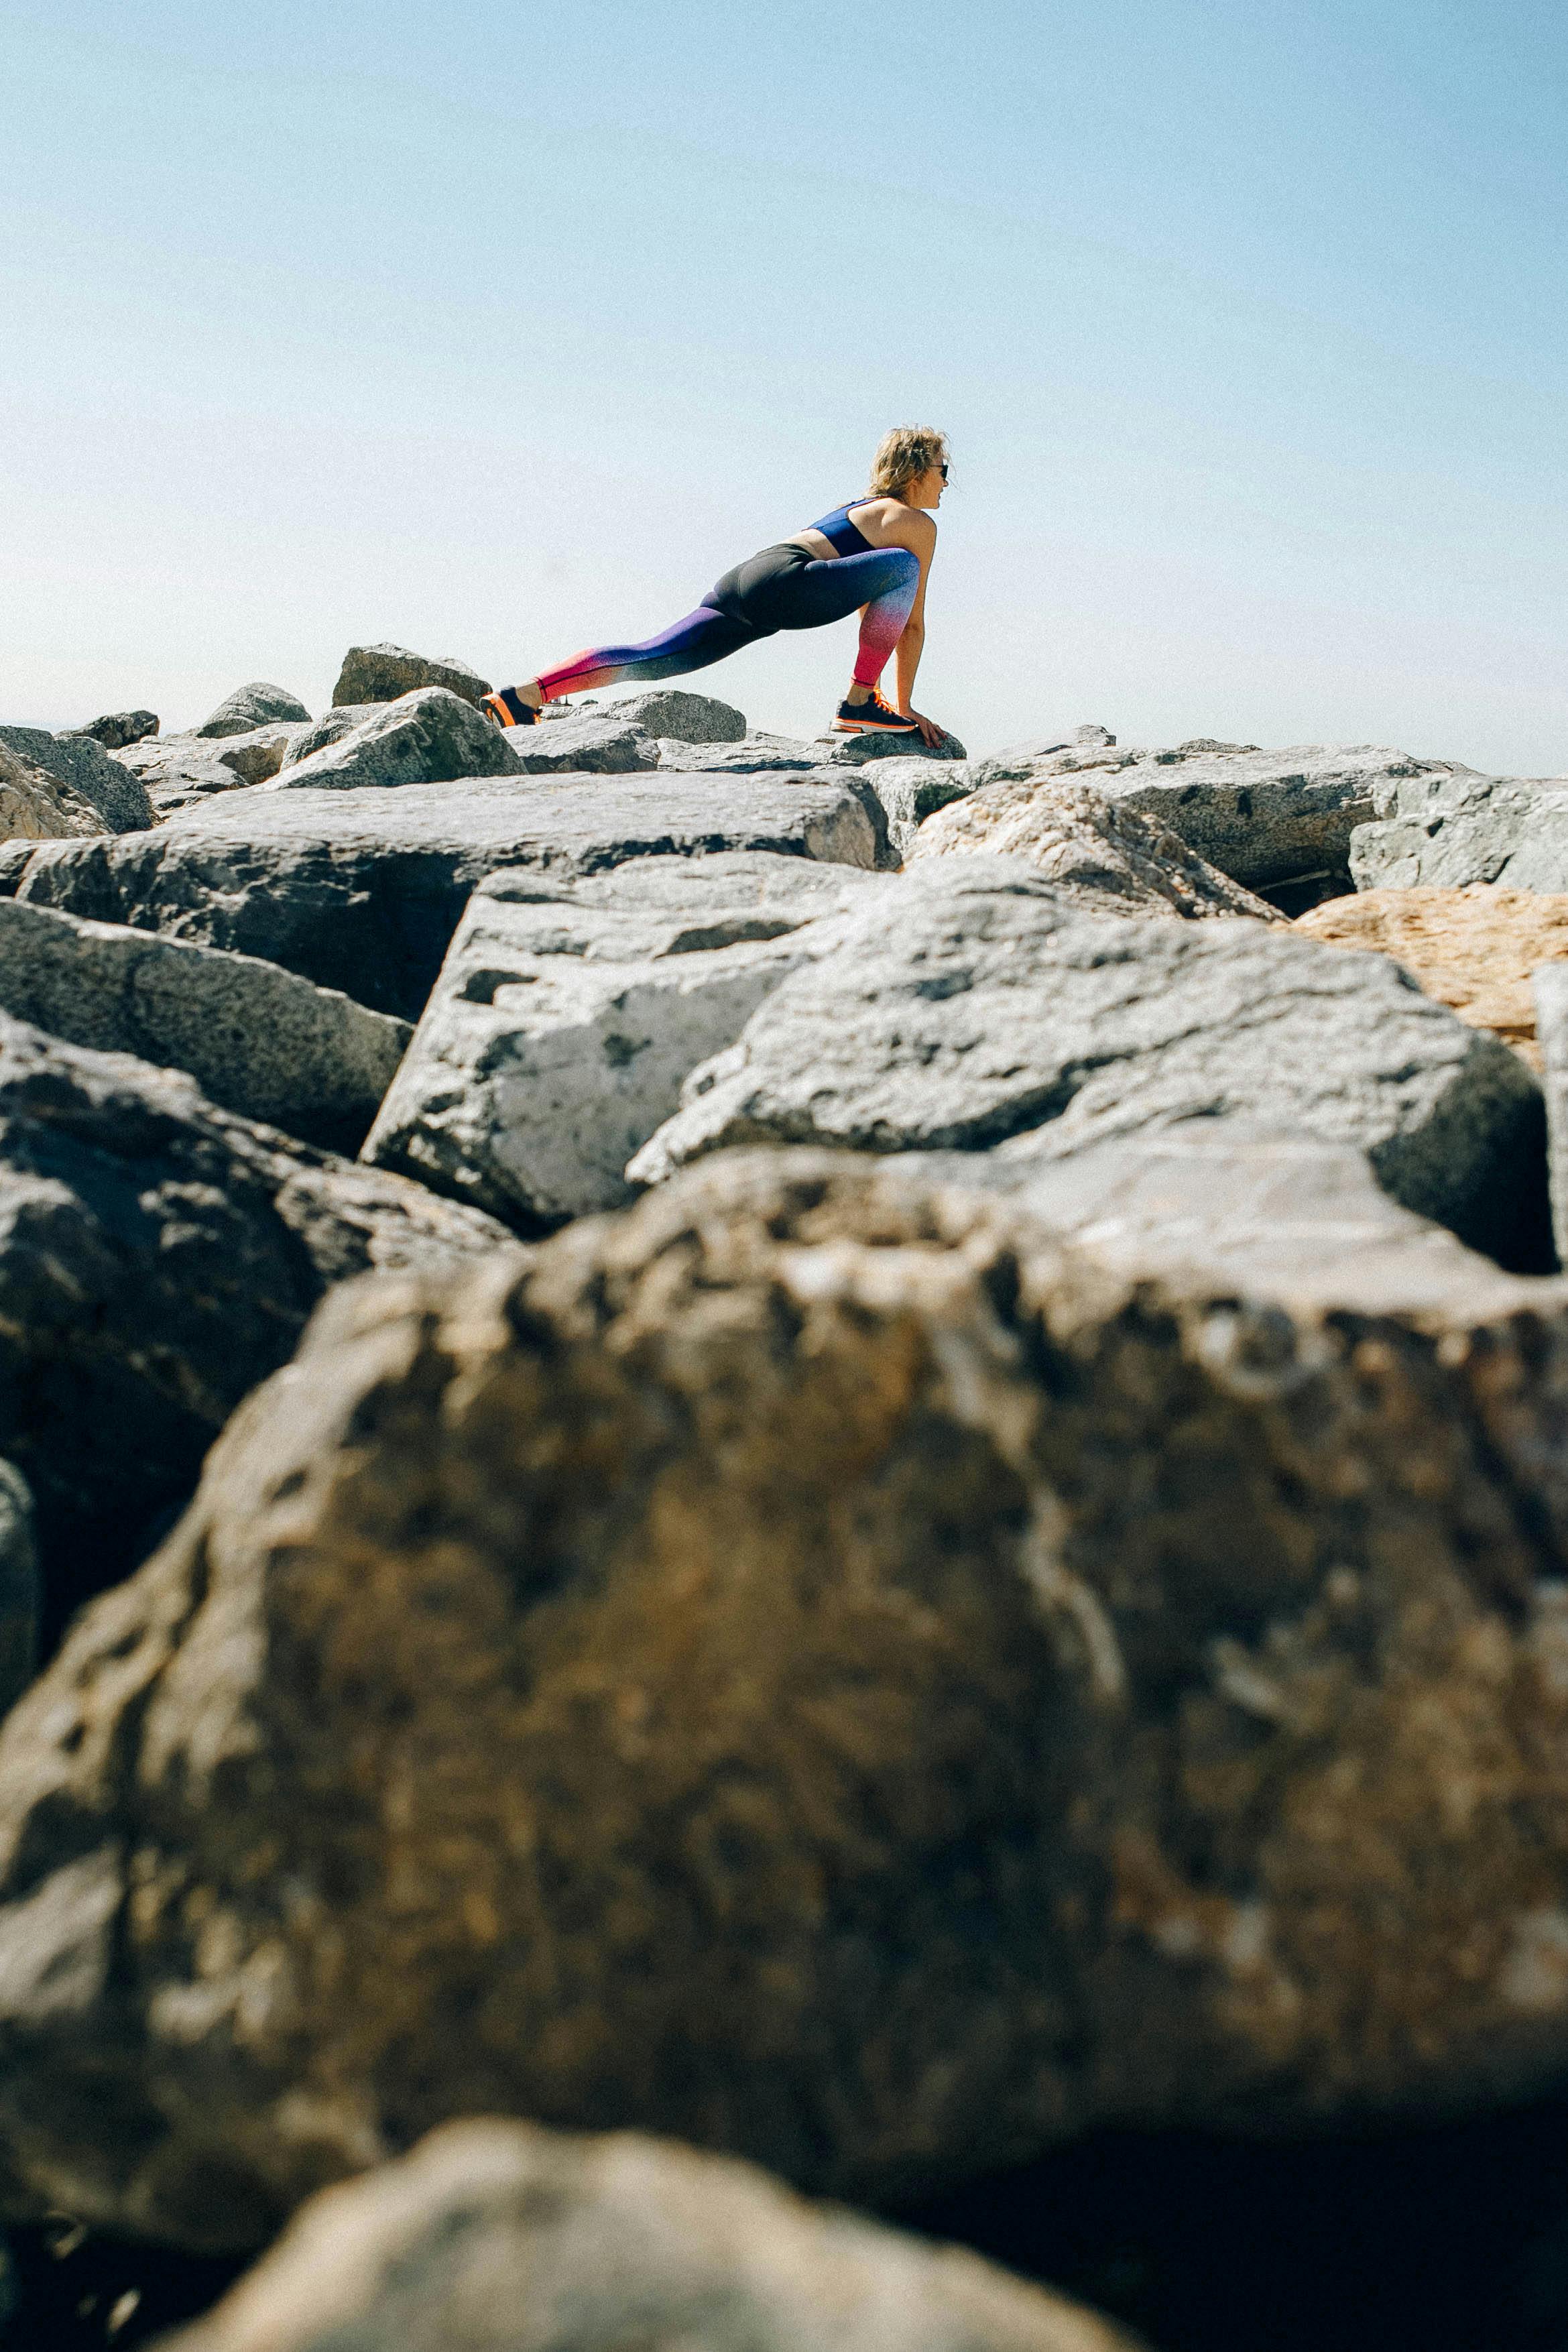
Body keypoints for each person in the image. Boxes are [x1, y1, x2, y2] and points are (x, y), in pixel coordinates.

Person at [482, 425, 953, 746]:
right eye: (942, 470)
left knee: (651, 657)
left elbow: (868, 606)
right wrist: (905, 705)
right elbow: (908, 624)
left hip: (750, 579)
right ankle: (859, 704)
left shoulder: (864, 507)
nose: (947, 483)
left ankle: (519, 699)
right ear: (915, 471)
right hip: (787, 582)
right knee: (903, 567)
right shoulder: (910, 522)